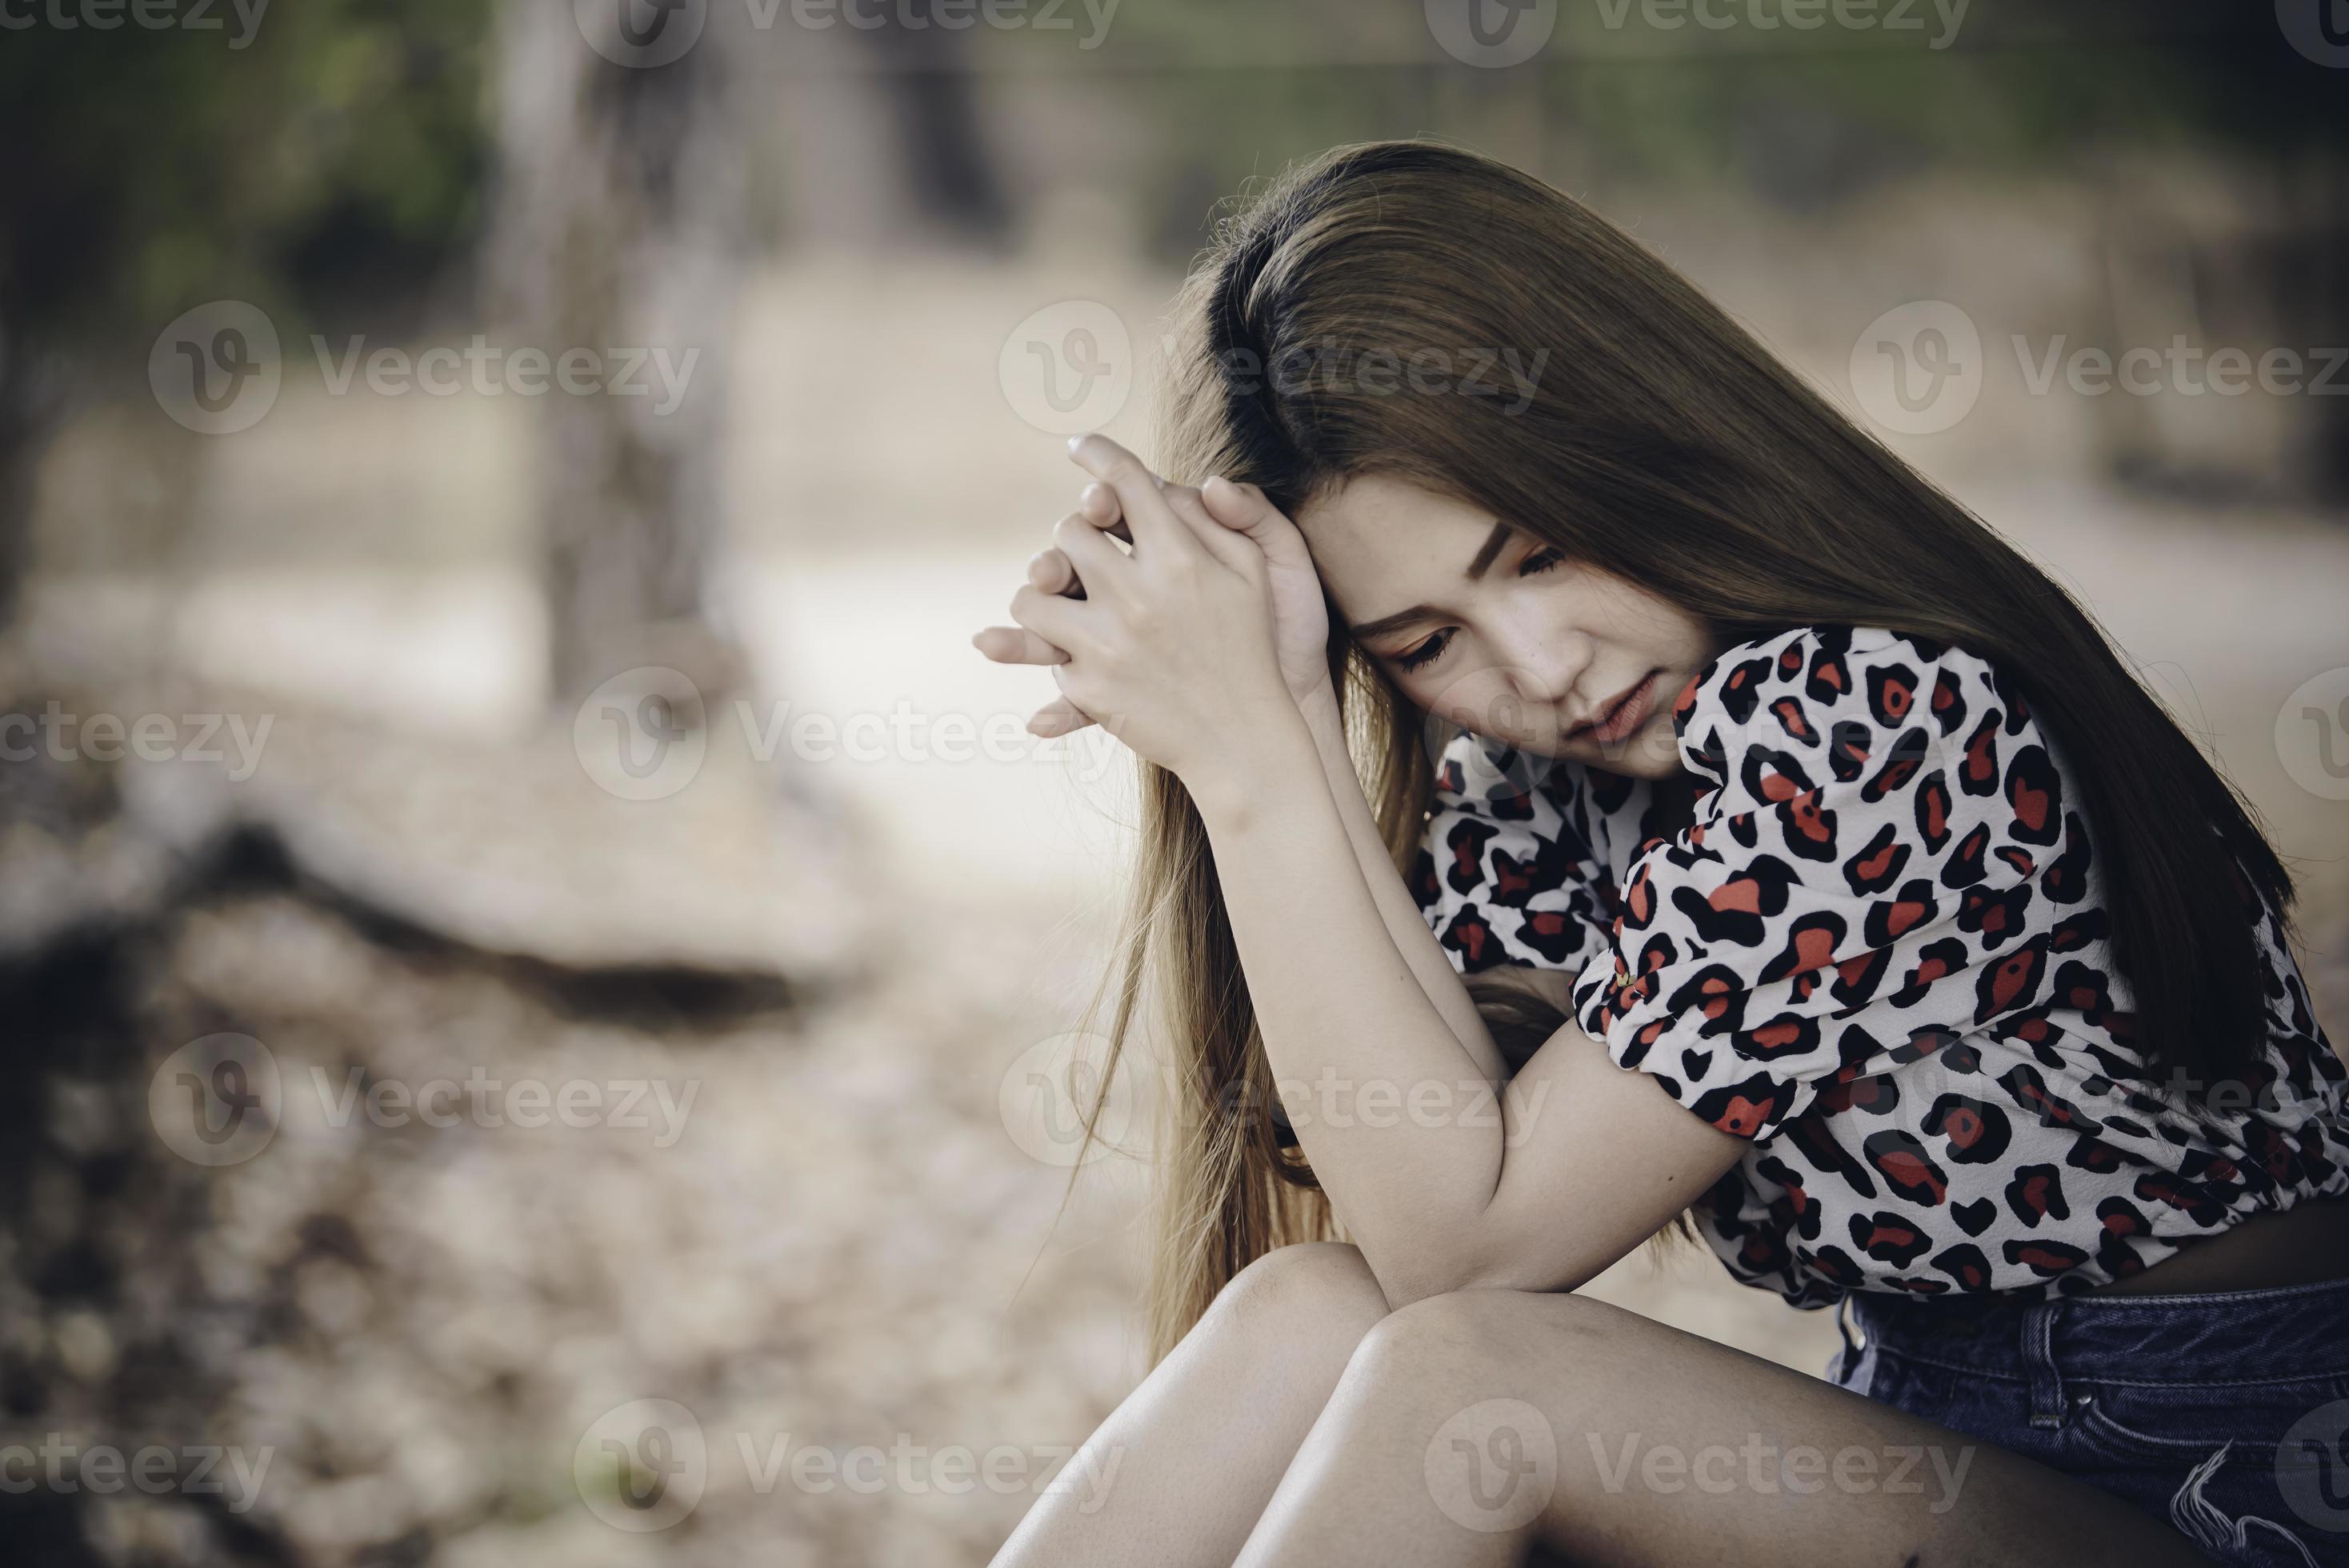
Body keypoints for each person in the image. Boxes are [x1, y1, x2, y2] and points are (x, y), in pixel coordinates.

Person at [970, 139, 2349, 1566]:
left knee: (1471, 1388)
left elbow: (1472, 1254)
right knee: (1312, 1307)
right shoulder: (1550, 778)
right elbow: (1421, 1184)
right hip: (1942, 1431)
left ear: (1644, 435)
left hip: (2226, 1469)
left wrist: (1250, 767)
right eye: (1426, 642)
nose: (1542, 666)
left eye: (1539, 554)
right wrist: (1288, 715)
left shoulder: (1876, 721)